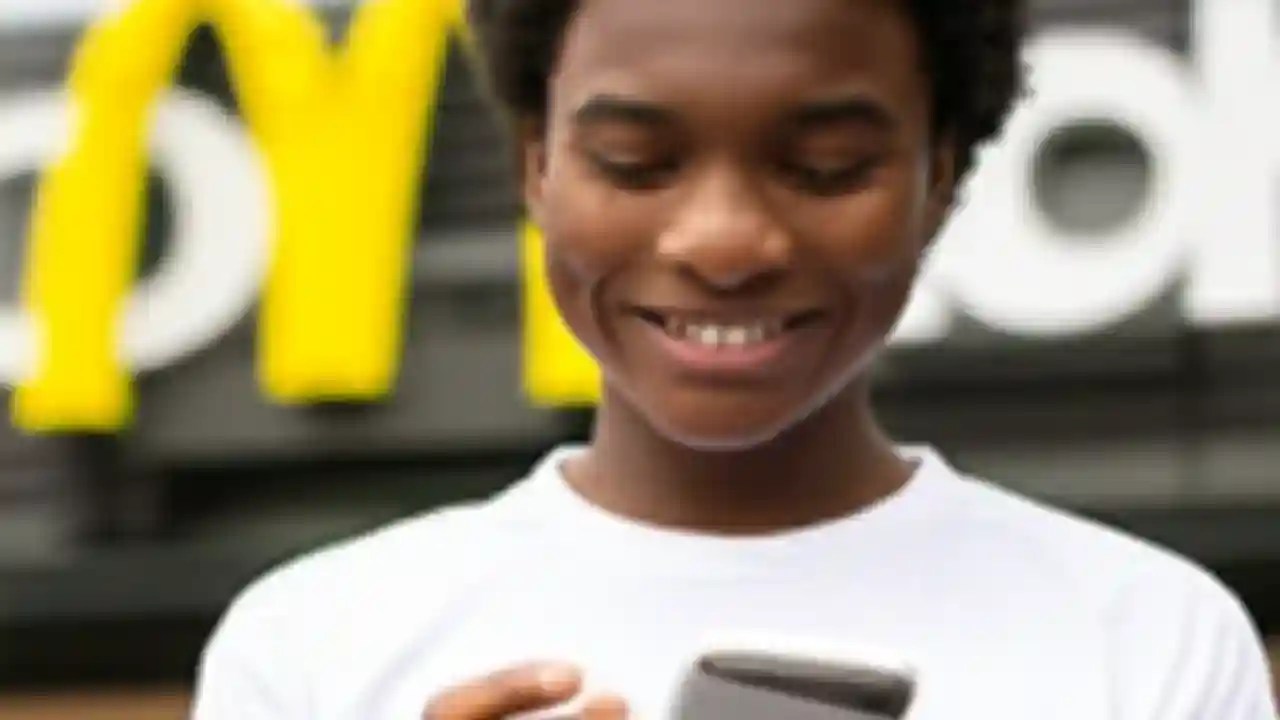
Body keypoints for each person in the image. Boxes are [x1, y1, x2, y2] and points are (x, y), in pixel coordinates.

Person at [191, 0, 1278, 718]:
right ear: (535, 167)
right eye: (634, 163)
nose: (723, 242)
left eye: (826, 167)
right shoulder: (315, 646)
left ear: (939, 178)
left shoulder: (1144, 640)